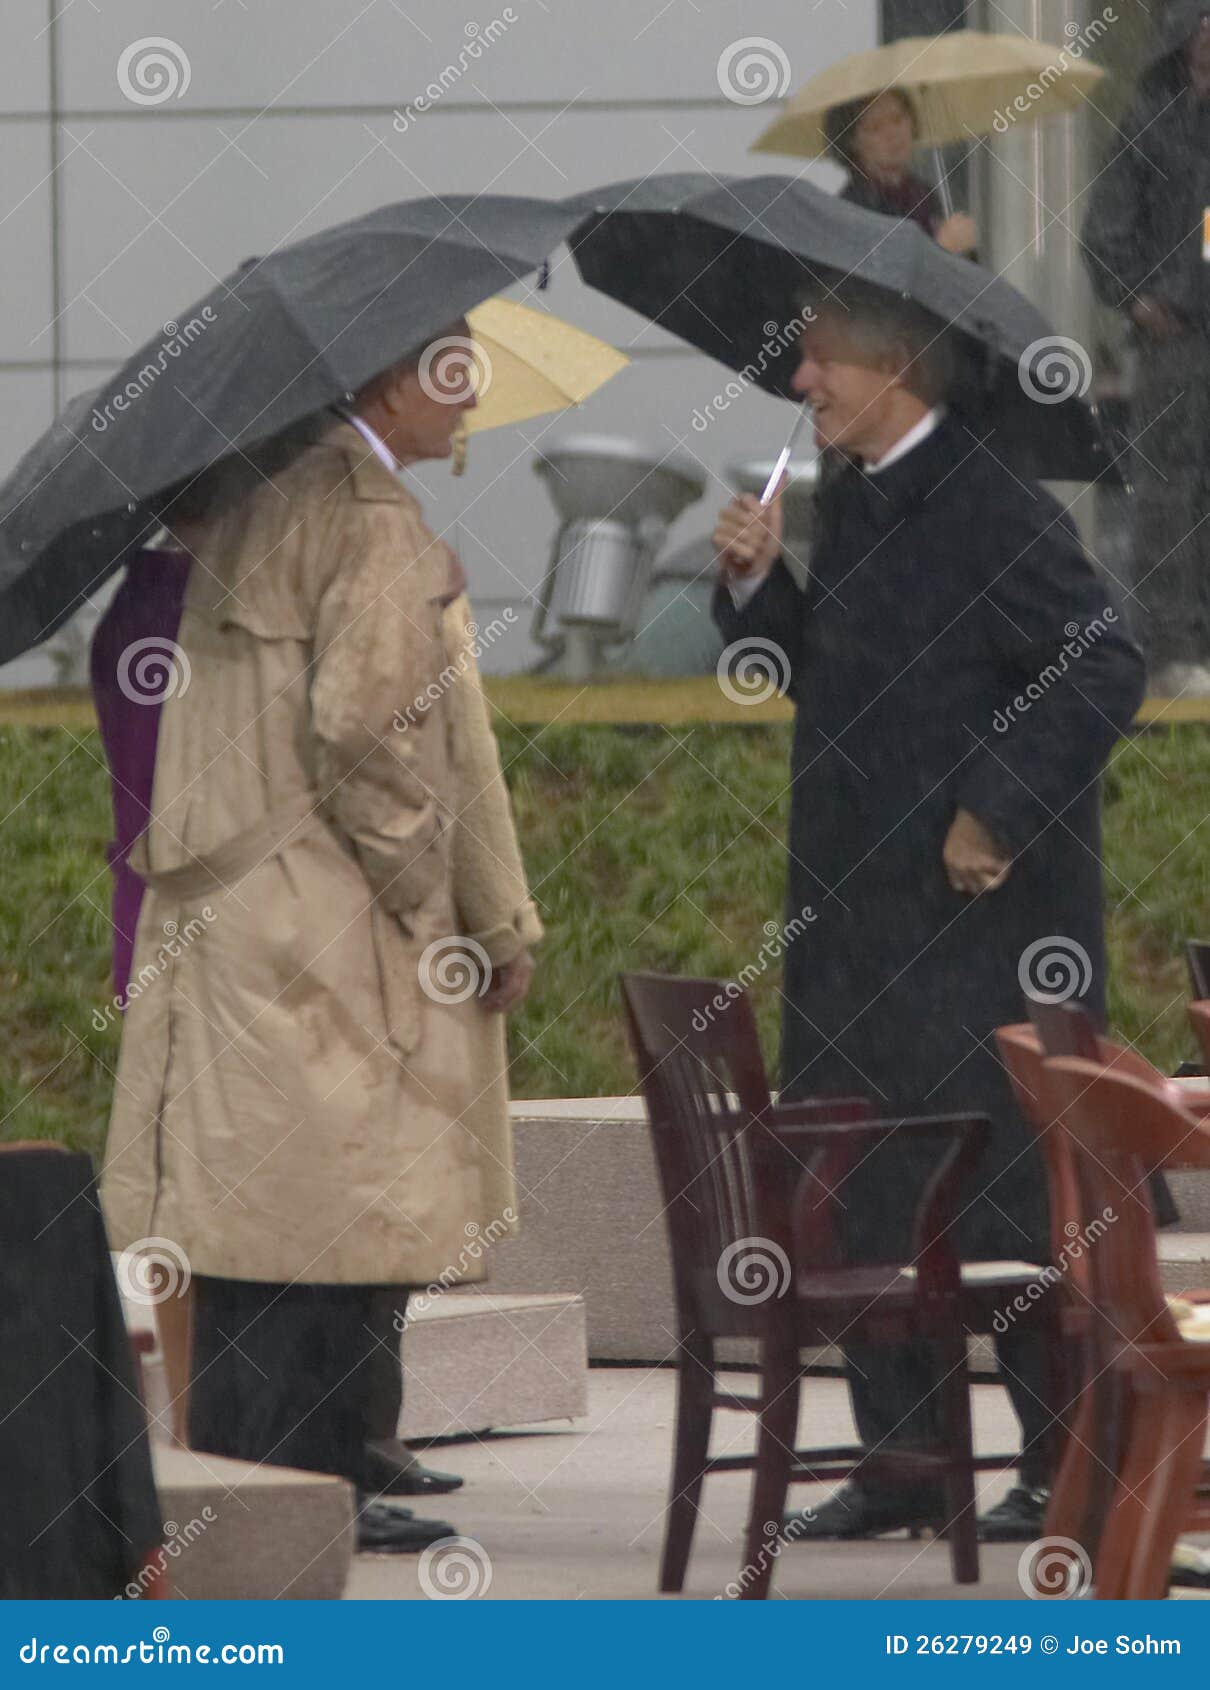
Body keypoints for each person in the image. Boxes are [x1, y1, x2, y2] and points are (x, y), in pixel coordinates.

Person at [97, 320, 543, 1555]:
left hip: (236, 919)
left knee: (259, 1231)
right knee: (318, 1221)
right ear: (393, 379)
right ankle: (298, 1497)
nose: (468, 399)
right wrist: (424, 899)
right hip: (319, 917)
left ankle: (278, 1489)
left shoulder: (252, 500)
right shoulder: (366, 519)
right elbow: (373, 735)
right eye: (453, 373)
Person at [711, 281, 1145, 1543]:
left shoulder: (988, 503)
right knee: (868, 1180)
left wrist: (995, 811)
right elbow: (829, 678)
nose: (801, 384)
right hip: (857, 928)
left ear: (895, 366)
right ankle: (903, 1460)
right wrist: (756, 587)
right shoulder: (855, 496)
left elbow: (1103, 660)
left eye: (819, 363)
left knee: (1004, 1192)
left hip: (983, 941)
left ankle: (1056, 1468)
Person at [1082, 0, 1210, 694]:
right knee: (1167, 490)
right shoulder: (1148, 124)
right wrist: (1137, 295)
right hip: (1173, 350)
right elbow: (1103, 230)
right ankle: (1171, 652)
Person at [826, 88, 978, 256]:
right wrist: (940, 250)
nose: (892, 134)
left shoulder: (925, 194)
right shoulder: (849, 210)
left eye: (898, 120)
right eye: (875, 127)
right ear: (852, 142)